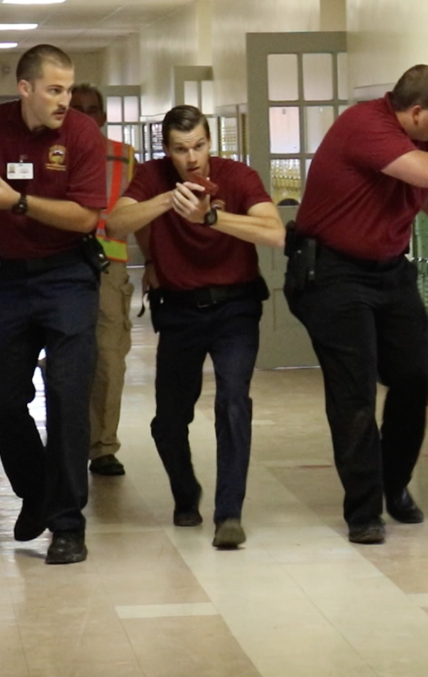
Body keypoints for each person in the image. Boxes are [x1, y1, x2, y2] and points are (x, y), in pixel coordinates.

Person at [284, 64, 428, 545]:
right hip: (334, 274)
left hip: (388, 270)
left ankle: (394, 484)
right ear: (417, 111)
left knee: (413, 378)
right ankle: (363, 511)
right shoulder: (366, 126)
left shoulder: (426, 141)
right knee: (355, 392)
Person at [0, 44, 107, 565]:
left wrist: (15, 199)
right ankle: (36, 490)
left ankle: (67, 525)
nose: (64, 100)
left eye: (68, 89)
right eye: (54, 90)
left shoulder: (82, 134)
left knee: (66, 395)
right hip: (13, 282)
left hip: (68, 278)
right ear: (26, 89)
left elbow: (85, 219)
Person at [106, 105, 284, 549]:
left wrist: (210, 217)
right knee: (168, 421)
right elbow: (115, 223)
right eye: (182, 150)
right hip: (181, 311)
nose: (192, 158)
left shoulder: (238, 176)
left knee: (232, 402)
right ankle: (186, 495)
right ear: (167, 150)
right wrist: (171, 199)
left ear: (211, 142)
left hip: (235, 308)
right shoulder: (152, 176)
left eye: (200, 146)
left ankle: (229, 514)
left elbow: (274, 232)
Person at [69, 83, 143, 477]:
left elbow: (142, 213)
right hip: (57, 267)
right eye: (75, 108)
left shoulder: (123, 156)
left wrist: (156, 267)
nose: (84, 115)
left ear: (102, 116)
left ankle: (102, 448)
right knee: (64, 356)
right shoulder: (51, 153)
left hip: (108, 269)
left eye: (91, 109)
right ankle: (68, 438)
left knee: (110, 358)